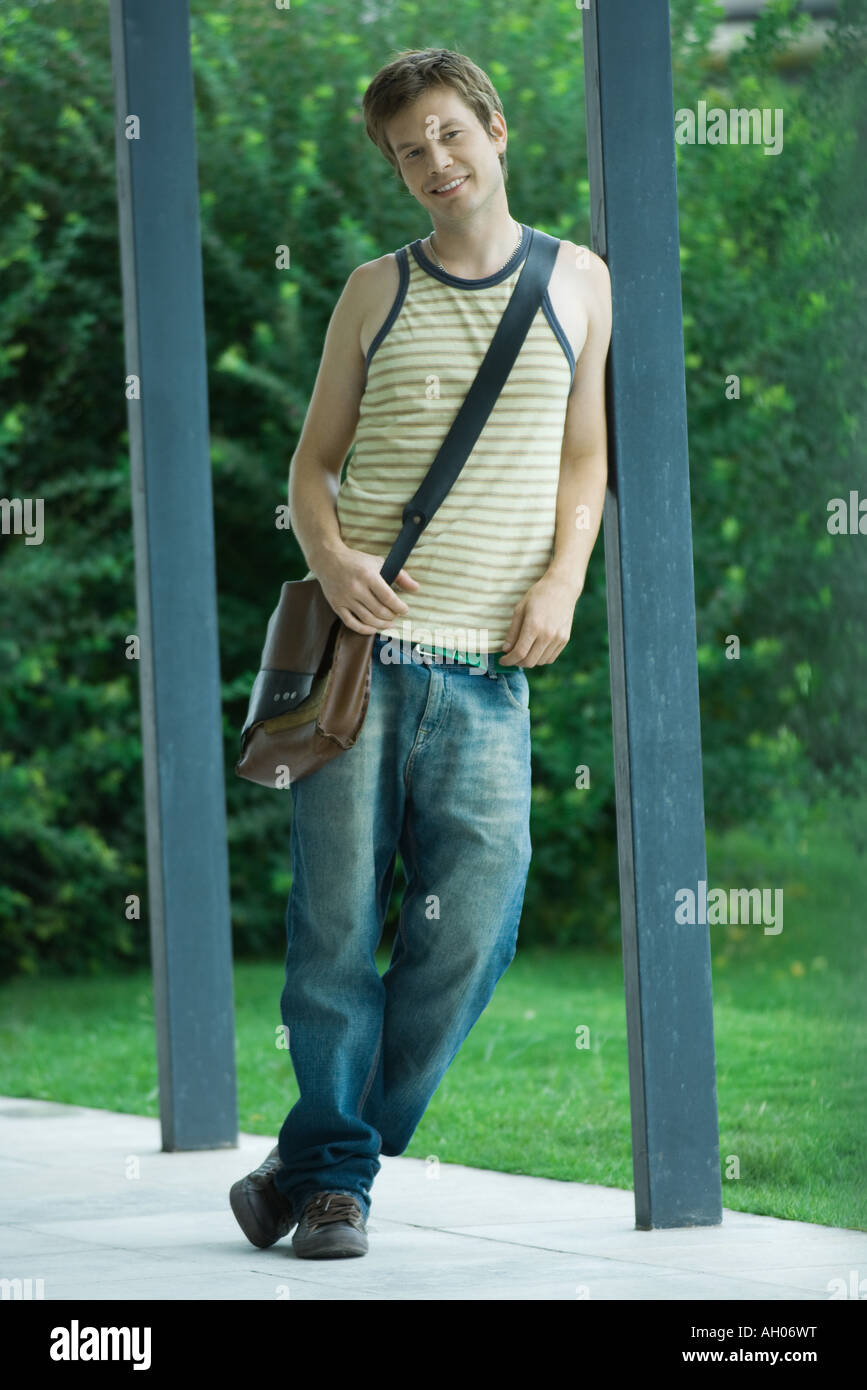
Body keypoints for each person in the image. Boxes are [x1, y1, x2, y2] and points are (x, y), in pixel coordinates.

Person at [230, 47, 612, 1260]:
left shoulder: (580, 282)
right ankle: (338, 1183)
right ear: (395, 169)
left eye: (452, 132)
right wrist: (334, 560)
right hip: (362, 663)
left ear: (495, 129)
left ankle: (312, 1155)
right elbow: (312, 464)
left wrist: (565, 577)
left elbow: (581, 461)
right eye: (410, 149)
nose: (436, 160)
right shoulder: (370, 290)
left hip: (491, 670)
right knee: (335, 931)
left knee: (476, 929)